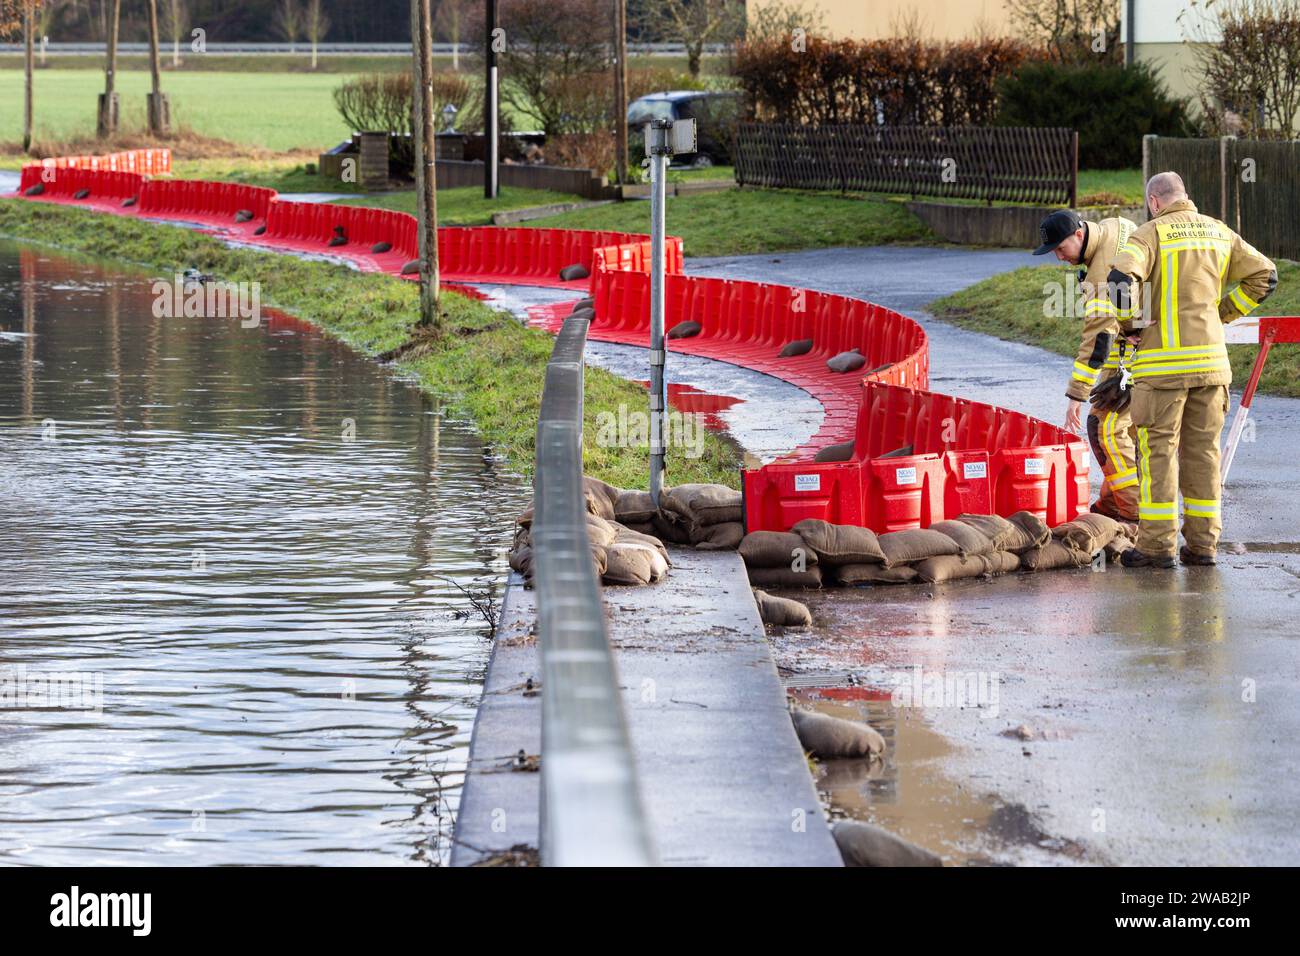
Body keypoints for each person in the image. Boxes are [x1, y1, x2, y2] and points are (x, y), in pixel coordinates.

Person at [1105, 172, 1277, 567]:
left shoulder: (1149, 234)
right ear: (1186, 196)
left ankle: (1156, 547)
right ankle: (1203, 547)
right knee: (1203, 456)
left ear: (1154, 200)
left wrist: (1131, 324)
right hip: (1212, 370)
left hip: (1163, 371)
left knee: (1158, 456)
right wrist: (1224, 314)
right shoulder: (1219, 233)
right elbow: (1266, 276)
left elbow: (1118, 280)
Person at [1034, 209, 1140, 520]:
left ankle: (1133, 514)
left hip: (1136, 355)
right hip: (1143, 343)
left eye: (1061, 249)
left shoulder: (1099, 273)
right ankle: (1111, 507)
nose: (1059, 257)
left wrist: (1076, 397)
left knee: (1103, 428)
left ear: (1079, 235)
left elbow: (1098, 337)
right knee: (1130, 435)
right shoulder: (1114, 227)